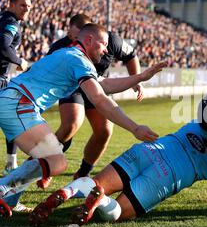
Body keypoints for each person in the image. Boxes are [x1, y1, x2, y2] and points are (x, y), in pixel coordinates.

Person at [29, 77, 207, 226]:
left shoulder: (203, 119)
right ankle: (100, 203)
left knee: (98, 181)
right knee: (117, 214)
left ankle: (67, 193)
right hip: (166, 177)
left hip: (151, 150)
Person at [0, 23, 166, 217]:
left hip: (14, 101)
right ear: (89, 40)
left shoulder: (70, 54)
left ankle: (8, 199)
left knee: (48, 158)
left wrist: (139, 77)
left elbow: (104, 84)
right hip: (20, 104)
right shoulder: (79, 59)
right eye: (103, 44)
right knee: (57, 162)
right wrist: (134, 128)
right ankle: (4, 190)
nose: (105, 50)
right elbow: (100, 98)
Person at [48, 14, 145, 180]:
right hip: (73, 88)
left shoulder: (111, 40)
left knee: (105, 130)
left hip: (98, 86)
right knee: (71, 125)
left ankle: (83, 174)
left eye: (76, 36)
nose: (72, 39)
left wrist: (137, 79)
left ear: (89, 36)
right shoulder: (60, 47)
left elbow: (131, 55)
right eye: (71, 36)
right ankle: (45, 165)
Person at [0, 0, 32, 213]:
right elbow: (3, 46)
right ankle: (12, 165)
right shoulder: (10, 22)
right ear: (11, 4)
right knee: (17, 121)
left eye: (28, 6)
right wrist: (20, 61)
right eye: (22, 5)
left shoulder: (4, 19)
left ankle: (11, 163)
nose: (26, 9)